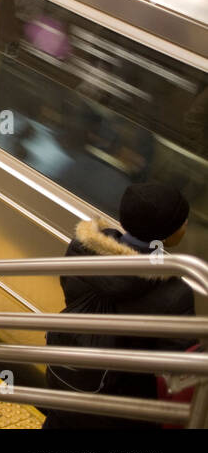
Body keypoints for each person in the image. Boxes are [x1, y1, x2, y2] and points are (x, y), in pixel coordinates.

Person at [42, 182, 195, 429]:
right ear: (168, 232)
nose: (186, 226)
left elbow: (70, 292)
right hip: (121, 412)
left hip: (66, 387)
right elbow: (175, 370)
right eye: (183, 221)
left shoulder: (83, 249)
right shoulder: (175, 294)